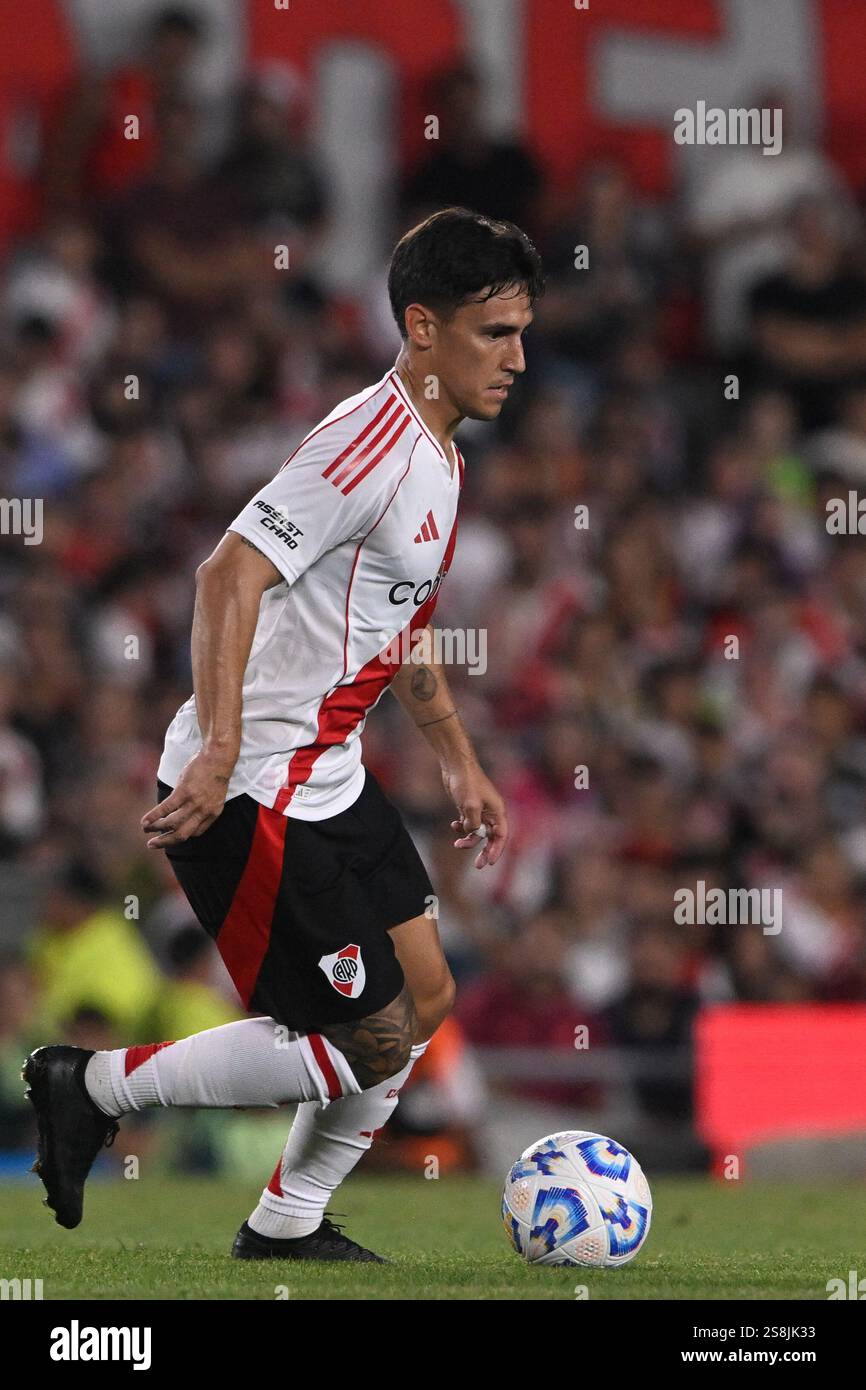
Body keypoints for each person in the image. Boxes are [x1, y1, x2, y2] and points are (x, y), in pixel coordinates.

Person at [23, 207, 544, 1261]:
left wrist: (458, 759)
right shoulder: (369, 441)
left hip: (330, 773)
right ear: (421, 326)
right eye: (494, 333)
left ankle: (286, 1223)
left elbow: (393, 624)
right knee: (370, 1037)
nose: (517, 359)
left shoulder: (440, 456)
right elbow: (229, 571)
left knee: (426, 994)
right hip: (257, 779)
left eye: (522, 331)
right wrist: (217, 747)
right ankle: (89, 1085)